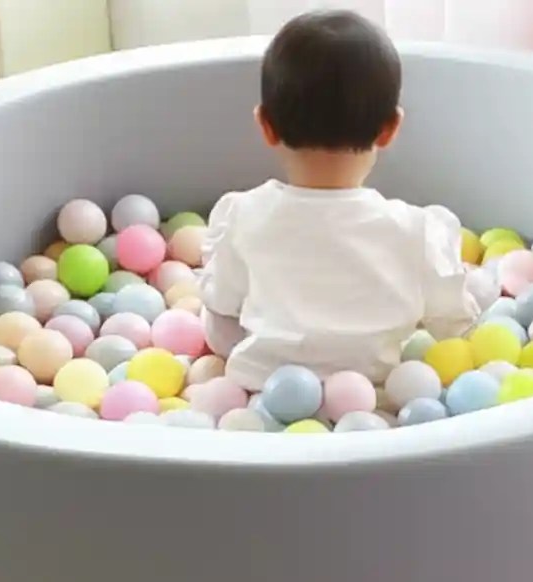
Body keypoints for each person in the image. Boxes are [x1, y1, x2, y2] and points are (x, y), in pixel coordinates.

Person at [199, 9, 482, 391]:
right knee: (457, 289)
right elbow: (453, 322)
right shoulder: (417, 230)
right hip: (375, 385)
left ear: (265, 125)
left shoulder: (244, 215)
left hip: (265, 384)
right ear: (390, 128)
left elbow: (222, 300)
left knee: (212, 313)